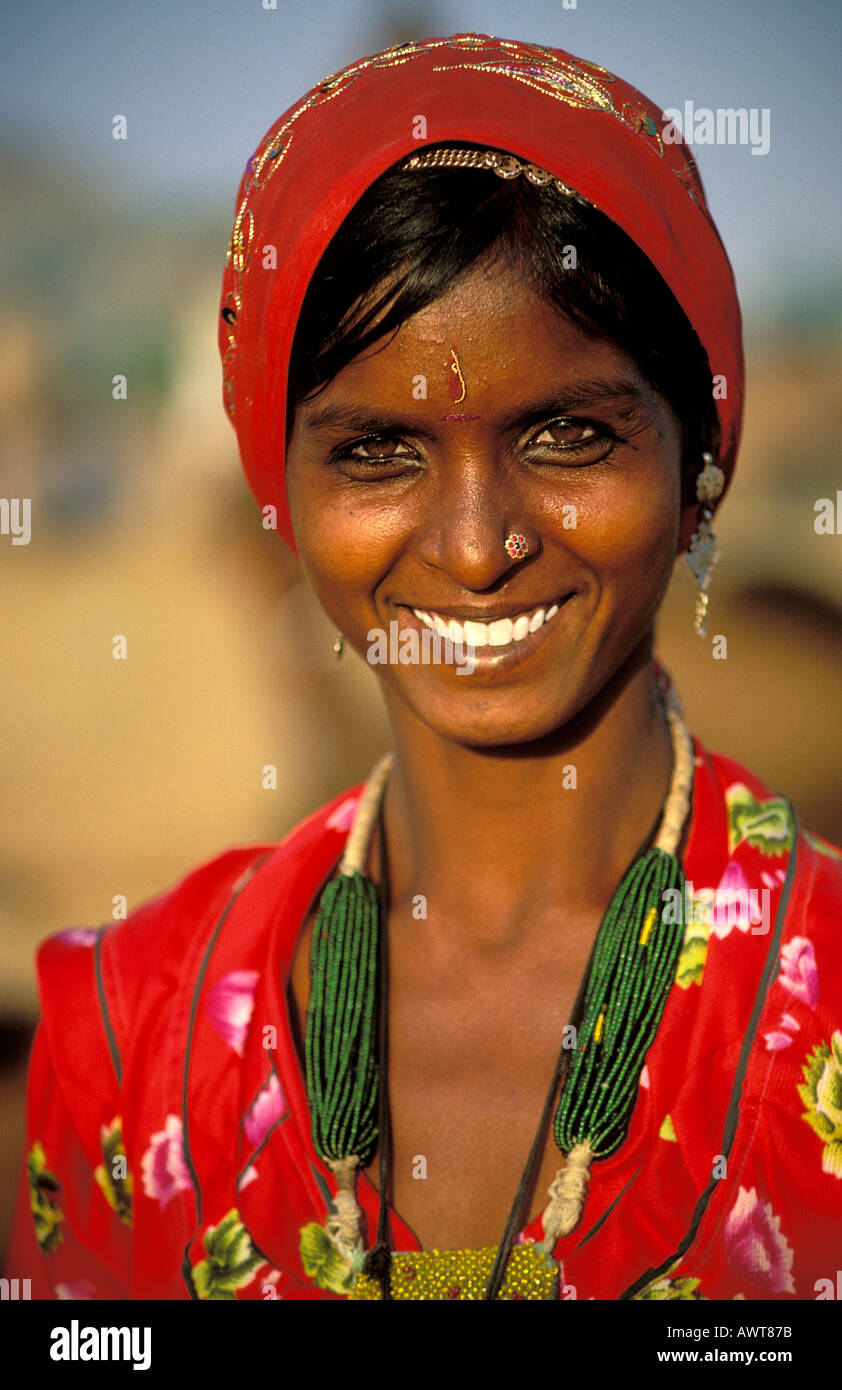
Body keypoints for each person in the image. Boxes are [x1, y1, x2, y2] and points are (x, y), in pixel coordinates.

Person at [7, 32, 842, 1302]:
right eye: (377, 450)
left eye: (570, 435)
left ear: (696, 467)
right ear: (277, 490)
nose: (473, 545)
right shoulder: (123, 1040)